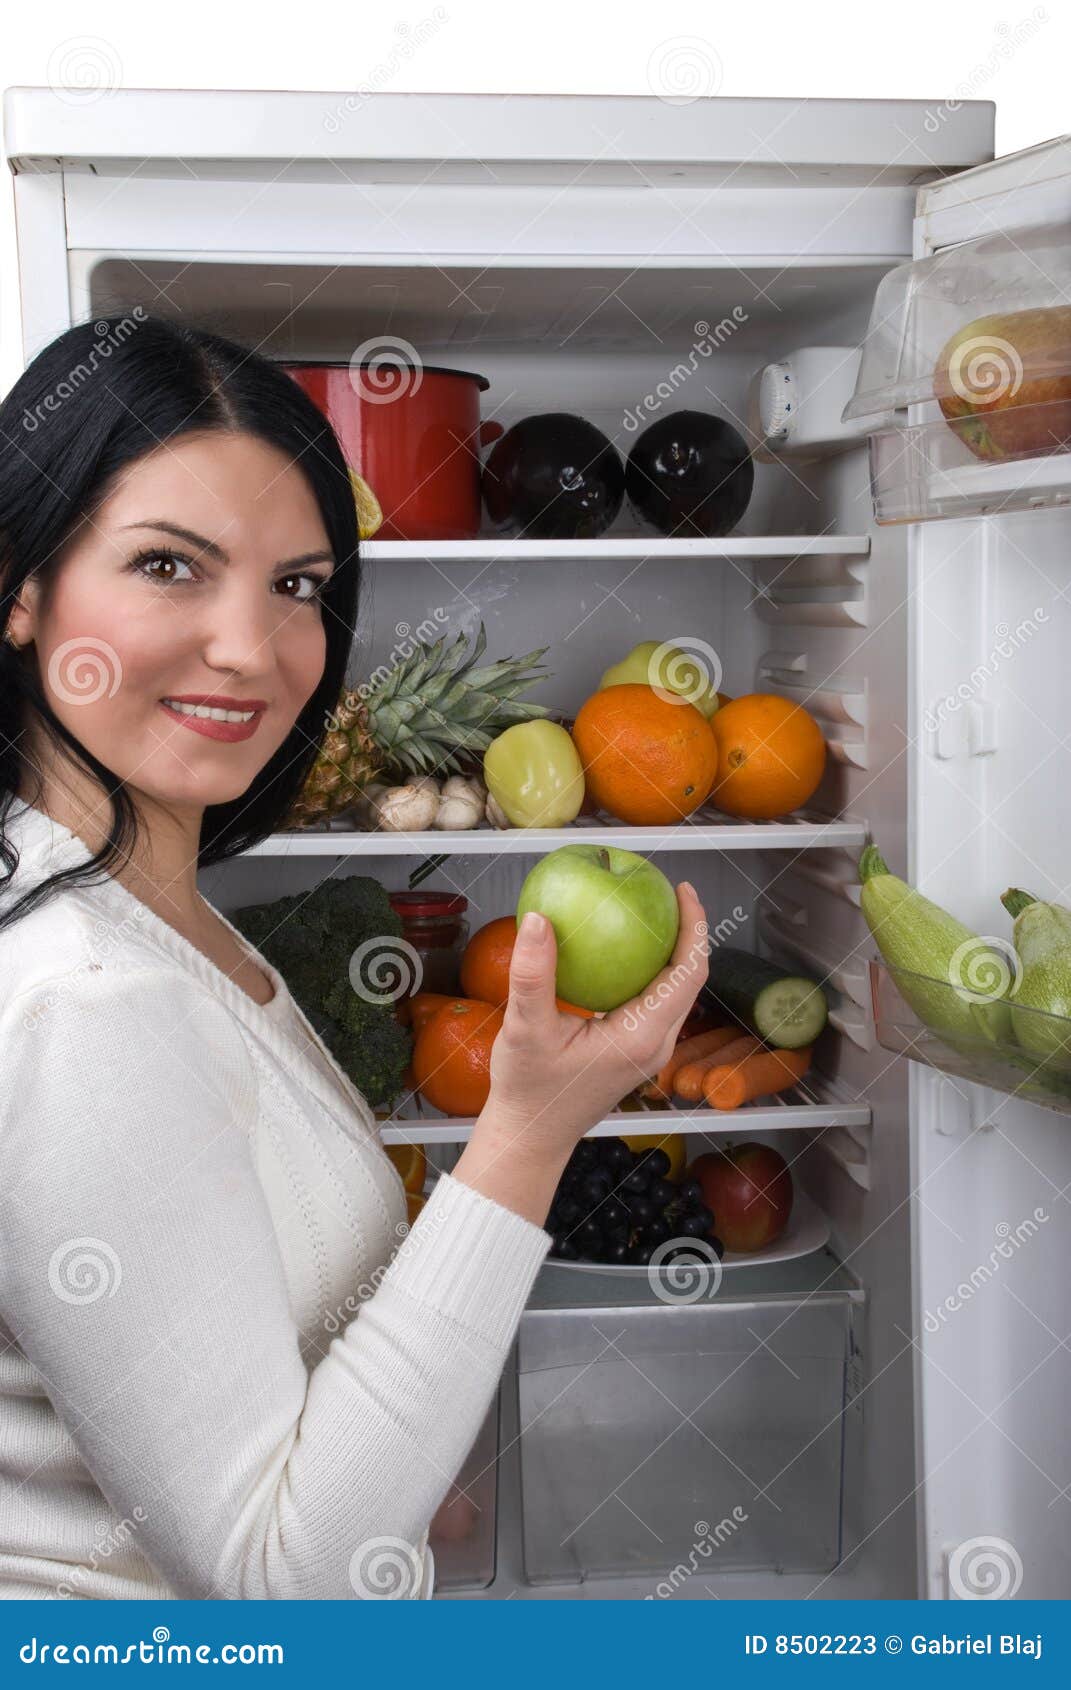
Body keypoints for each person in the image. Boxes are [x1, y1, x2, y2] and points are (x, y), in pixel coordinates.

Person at [0, 313, 708, 1600]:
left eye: (299, 585)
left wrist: (387, 1463)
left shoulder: (142, 912)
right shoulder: (88, 1001)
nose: (252, 647)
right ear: (22, 587)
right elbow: (289, 1587)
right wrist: (529, 1133)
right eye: (169, 566)